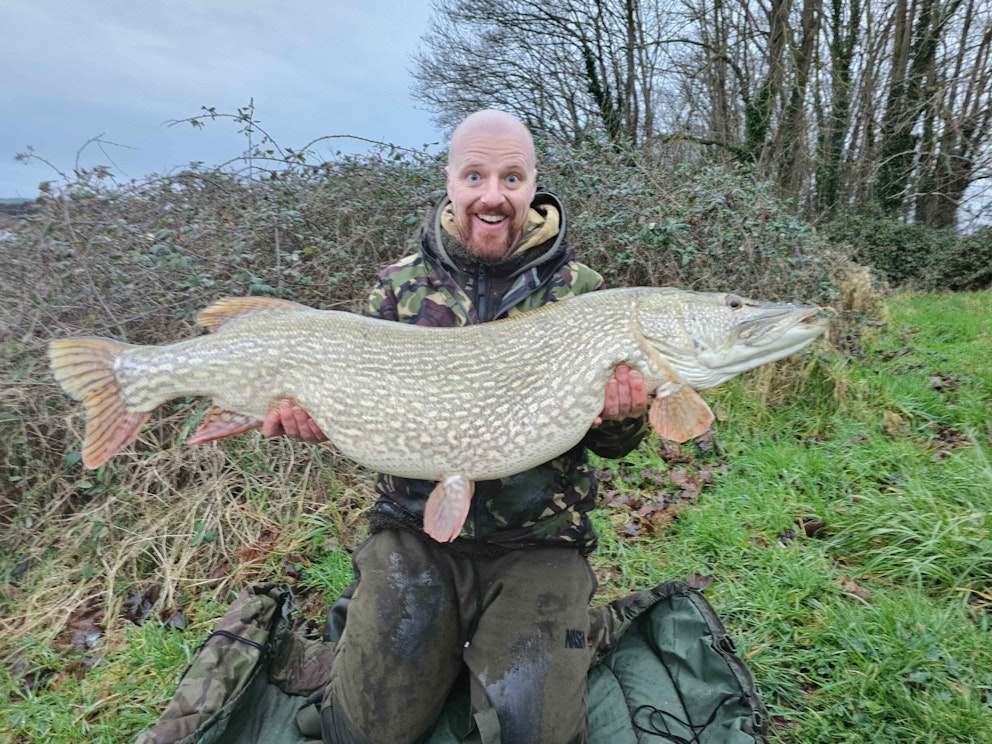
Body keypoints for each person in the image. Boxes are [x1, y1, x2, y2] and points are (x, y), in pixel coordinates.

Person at [264, 109, 649, 744]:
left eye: (511, 177)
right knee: (364, 732)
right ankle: (417, 635)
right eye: (475, 175)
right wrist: (317, 419)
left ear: (533, 185)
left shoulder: (582, 295)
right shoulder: (397, 289)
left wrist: (624, 417)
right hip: (414, 532)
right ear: (449, 180)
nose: (492, 195)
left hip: (539, 540)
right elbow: (363, 418)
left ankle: (544, 630)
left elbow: (609, 444)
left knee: (537, 736)